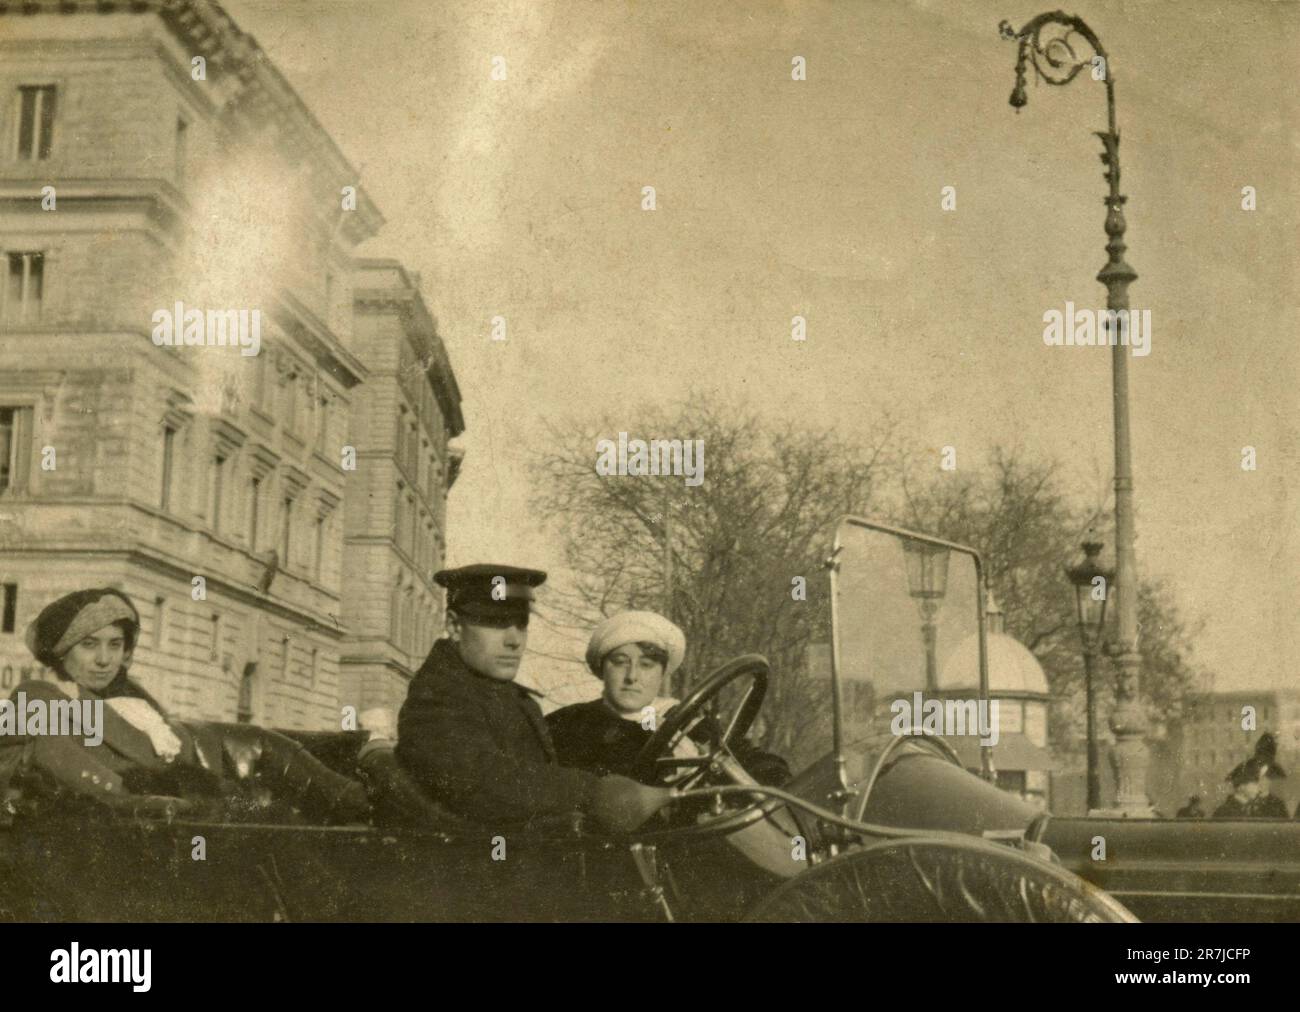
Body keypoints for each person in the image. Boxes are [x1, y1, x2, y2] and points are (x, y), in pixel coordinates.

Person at [6, 587, 369, 821]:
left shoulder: (122, 697)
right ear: (61, 652)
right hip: (193, 775)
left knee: (341, 780)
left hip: (213, 758)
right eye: (89, 645)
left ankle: (365, 777)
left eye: (115, 645)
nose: (105, 659)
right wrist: (128, 799)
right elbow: (59, 758)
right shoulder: (39, 693)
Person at [395, 566, 673, 832]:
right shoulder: (439, 696)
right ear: (455, 626)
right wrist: (594, 791)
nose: (514, 640)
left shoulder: (490, 691)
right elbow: (482, 782)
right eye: (496, 623)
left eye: (521, 624)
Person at [547, 610, 789, 785]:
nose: (632, 676)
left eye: (646, 665)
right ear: (602, 668)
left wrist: (770, 775)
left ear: (662, 673)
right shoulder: (567, 725)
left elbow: (741, 756)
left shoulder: (687, 722)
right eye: (620, 663)